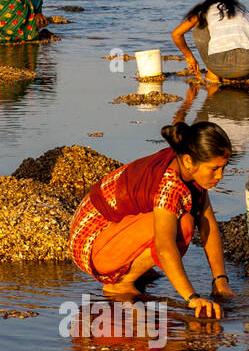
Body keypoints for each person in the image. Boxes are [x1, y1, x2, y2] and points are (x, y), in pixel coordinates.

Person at [69, 122, 234, 317]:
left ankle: (134, 270)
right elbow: (165, 247)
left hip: (114, 232)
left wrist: (220, 280)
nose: (220, 176)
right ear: (189, 160)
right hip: (90, 242)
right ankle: (121, 284)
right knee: (183, 227)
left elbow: (208, 225)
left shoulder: (187, 167)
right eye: (214, 169)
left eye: (223, 167)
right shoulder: (170, 185)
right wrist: (192, 298)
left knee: (182, 221)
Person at [171, 0, 249, 90]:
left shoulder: (203, 12)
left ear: (207, 3)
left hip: (217, 67)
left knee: (199, 25)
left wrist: (190, 57)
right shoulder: (240, 10)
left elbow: (176, 34)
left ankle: (212, 75)